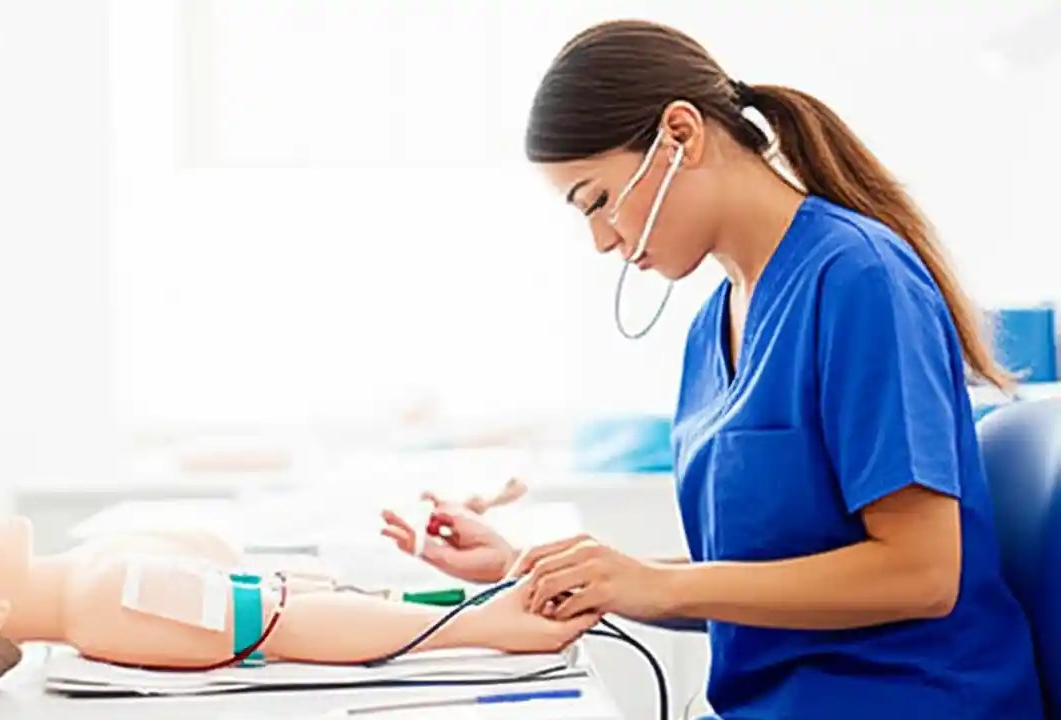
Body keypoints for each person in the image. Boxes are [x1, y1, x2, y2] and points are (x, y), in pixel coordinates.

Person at [382, 19, 1044, 719]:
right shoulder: (714, 325)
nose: (602, 240)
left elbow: (922, 574)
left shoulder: (858, 280)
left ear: (680, 135)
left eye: (598, 200)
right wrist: (558, 572)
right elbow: (753, 583)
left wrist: (653, 585)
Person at [0, 509, 594, 688]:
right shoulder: (100, 598)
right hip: (306, 612)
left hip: (307, 597)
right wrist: (471, 624)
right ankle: (496, 622)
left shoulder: (92, 576)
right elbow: (270, 621)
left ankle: (490, 613)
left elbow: (230, 576)